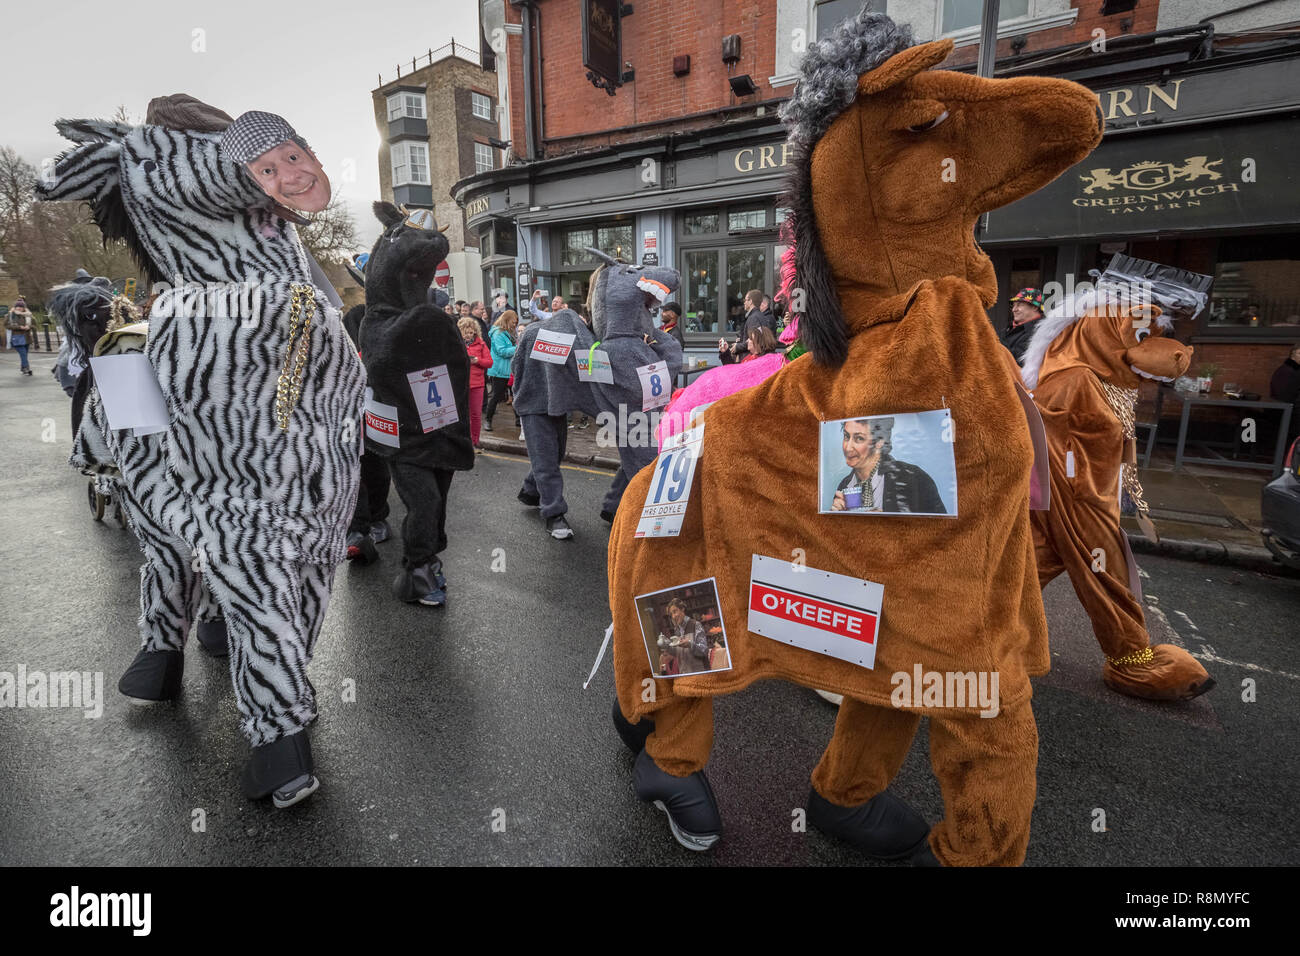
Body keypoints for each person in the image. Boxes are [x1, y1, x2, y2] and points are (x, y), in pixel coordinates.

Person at [831, 417, 945, 514]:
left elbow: (938, 529)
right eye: (846, 436)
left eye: (859, 438)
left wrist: (887, 523)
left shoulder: (914, 479)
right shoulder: (845, 485)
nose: (848, 447)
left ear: (880, 442)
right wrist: (838, 517)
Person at [484, 309, 519, 431]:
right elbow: (502, 351)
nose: (515, 325)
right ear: (507, 320)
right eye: (513, 322)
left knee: (516, 395)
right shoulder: (498, 333)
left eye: (516, 322)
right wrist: (517, 348)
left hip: (509, 370)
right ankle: (488, 420)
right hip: (500, 371)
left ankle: (518, 420)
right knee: (496, 396)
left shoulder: (508, 332)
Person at [460, 316, 491, 449]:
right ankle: (464, 439)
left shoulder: (481, 344)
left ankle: (475, 440)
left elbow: (490, 363)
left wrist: (477, 360)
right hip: (460, 384)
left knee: (476, 414)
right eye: (466, 333)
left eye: (471, 332)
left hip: (477, 384)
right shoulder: (456, 344)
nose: (468, 335)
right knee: (462, 415)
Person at [656, 599, 710, 674]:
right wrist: (666, 646)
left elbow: (704, 651)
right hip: (684, 674)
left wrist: (689, 644)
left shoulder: (695, 625)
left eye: (675, 611)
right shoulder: (677, 630)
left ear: (682, 609)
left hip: (700, 673)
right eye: (671, 614)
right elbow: (678, 653)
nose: (673, 616)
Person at [999, 288, 1044, 363]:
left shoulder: (1041, 332)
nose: (1014, 309)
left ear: (1035, 307)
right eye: (1013, 306)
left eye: (1019, 305)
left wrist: (996, 345)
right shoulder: (1009, 328)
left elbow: (1020, 361)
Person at [1270, 343, 1300, 445]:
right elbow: (1284, 397)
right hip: (1288, 416)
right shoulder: (1287, 371)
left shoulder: (1293, 370)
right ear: (1293, 355)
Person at [6, 299, 35, 375]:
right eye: (17, 306)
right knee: (23, 354)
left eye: (21, 307)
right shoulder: (11, 315)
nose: (19, 308)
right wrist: (19, 327)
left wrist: (29, 326)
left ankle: (23, 368)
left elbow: (34, 325)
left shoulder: (28, 315)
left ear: (24, 307)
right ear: (15, 307)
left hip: (27, 338)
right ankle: (26, 368)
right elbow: (6, 325)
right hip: (17, 338)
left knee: (25, 354)